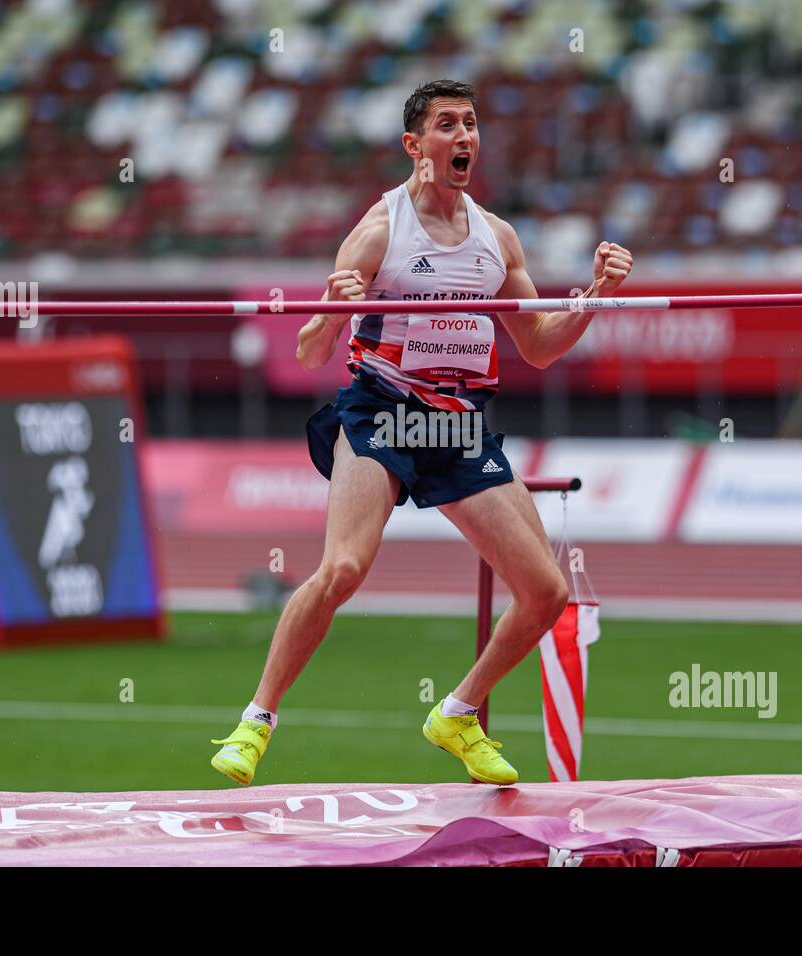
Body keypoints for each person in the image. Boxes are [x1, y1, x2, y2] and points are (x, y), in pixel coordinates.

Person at [211, 79, 633, 786]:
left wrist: (595, 296)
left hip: (459, 428)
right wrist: (330, 310)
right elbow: (312, 353)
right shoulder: (380, 230)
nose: (464, 136)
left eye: (471, 123)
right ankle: (256, 721)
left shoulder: (497, 238)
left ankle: (458, 714)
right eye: (447, 125)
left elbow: (539, 346)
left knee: (545, 591)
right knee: (344, 568)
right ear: (415, 145)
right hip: (382, 415)